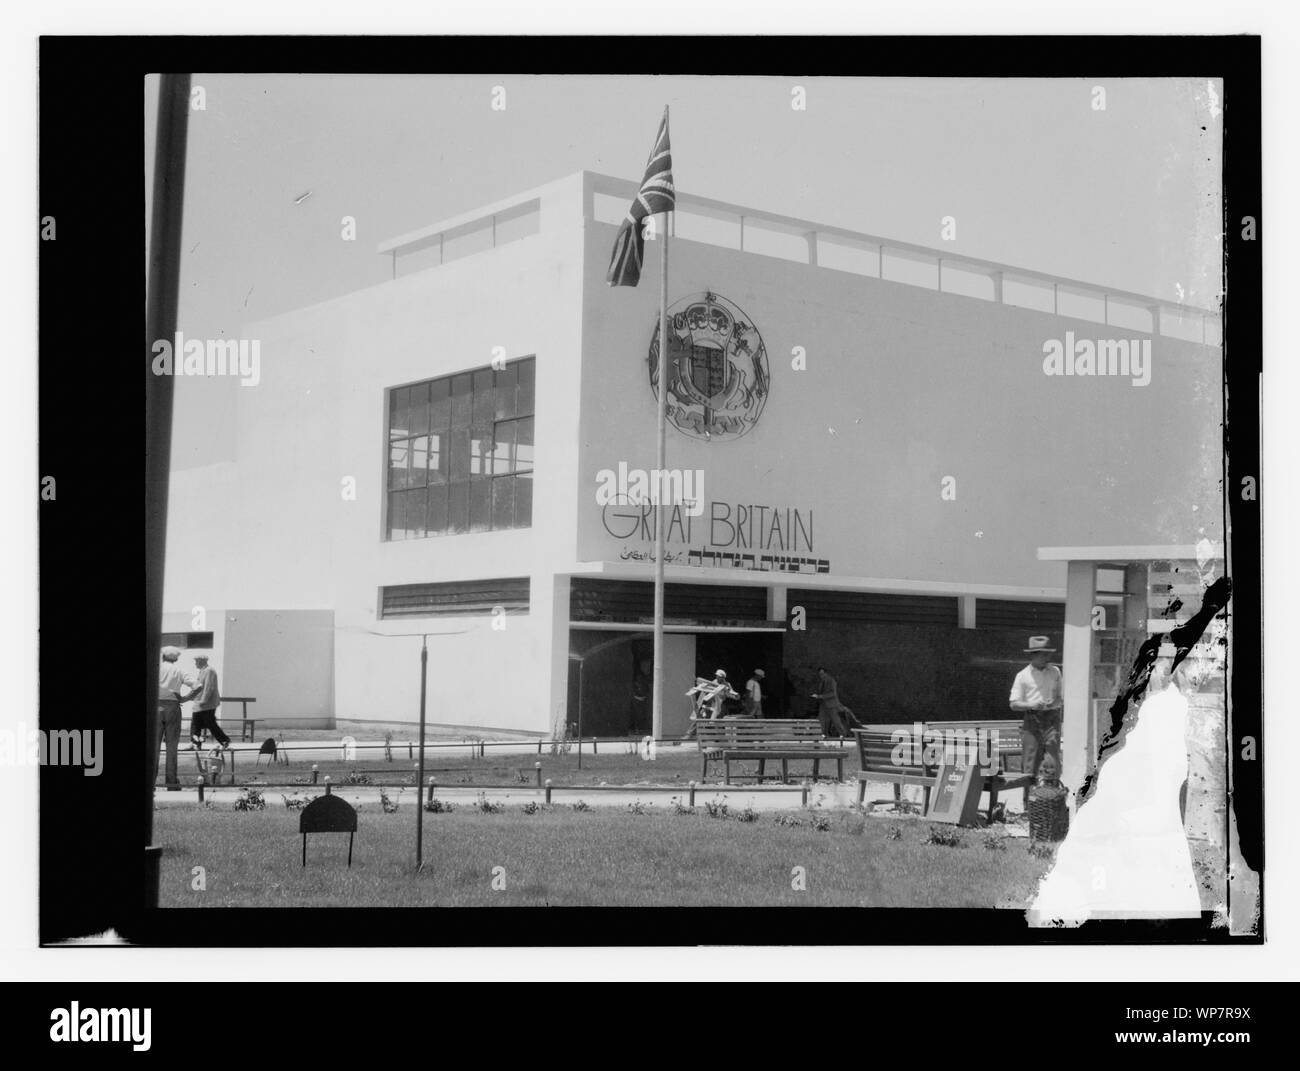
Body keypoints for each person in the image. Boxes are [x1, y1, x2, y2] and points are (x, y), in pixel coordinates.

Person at [1009, 635, 1063, 781]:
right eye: (1044, 654)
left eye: (1048, 653)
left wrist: (1053, 702)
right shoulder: (1022, 676)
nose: (1048, 657)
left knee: (1053, 759)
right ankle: (1029, 801)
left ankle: (1053, 798)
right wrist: (1032, 705)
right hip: (1032, 719)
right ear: (1034, 655)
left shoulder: (1055, 672)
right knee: (1030, 761)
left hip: (1052, 718)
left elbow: (1060, 697)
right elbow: (1013, 704)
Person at [157, 646, 197, 791]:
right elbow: (198, 685)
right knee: (171, 747)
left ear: (163, 657)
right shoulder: (179, 671)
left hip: (156, 706)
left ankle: (151, 781)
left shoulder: (157, 668)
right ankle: (171, 782)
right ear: (176, 659)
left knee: (153, 747)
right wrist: (186, 698)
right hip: (173, 706)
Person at [188, 654, 231, 750]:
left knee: (209, 723)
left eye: (196, 661)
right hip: (201, 703)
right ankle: (195, 743)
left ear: (202, 661)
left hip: (207, 704)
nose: (195, 663)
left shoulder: (209, 671)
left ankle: (224, 741)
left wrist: (204, 700)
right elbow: (198, 686)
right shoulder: (203, 671)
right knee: (196, 723)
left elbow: (209, 687)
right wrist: (190, 696)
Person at [812, 666, 863, 737]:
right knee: (822, 720)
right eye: (820, 674)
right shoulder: (822, 682)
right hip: (823, 704)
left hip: (831, 705)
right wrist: (817, 695)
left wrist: (820, 696)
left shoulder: (831, 681)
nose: (821, 675)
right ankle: (824, 734)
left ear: (826, 673)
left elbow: (833, 694)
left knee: (836, 720)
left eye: (822, 673)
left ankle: (843, 734)